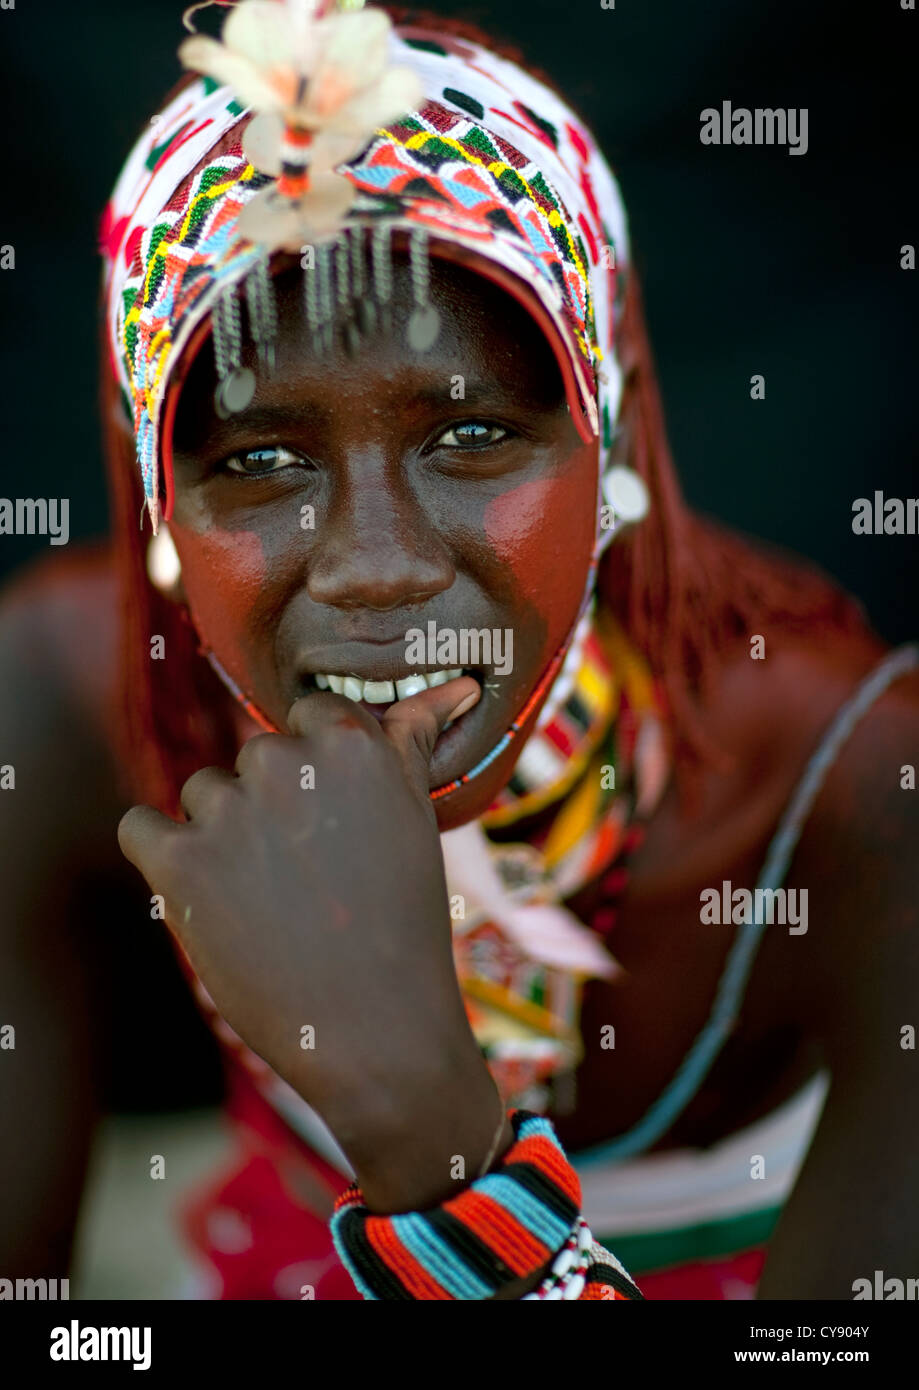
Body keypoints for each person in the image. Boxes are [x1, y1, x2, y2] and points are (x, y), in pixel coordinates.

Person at [1, 0, 916, 1301]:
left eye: (472, 435)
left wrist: (435, 1148)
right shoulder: (62, 703)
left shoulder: (865, 809)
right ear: (160, 502)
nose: (377, 562)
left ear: (616, 443)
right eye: (259, 461)